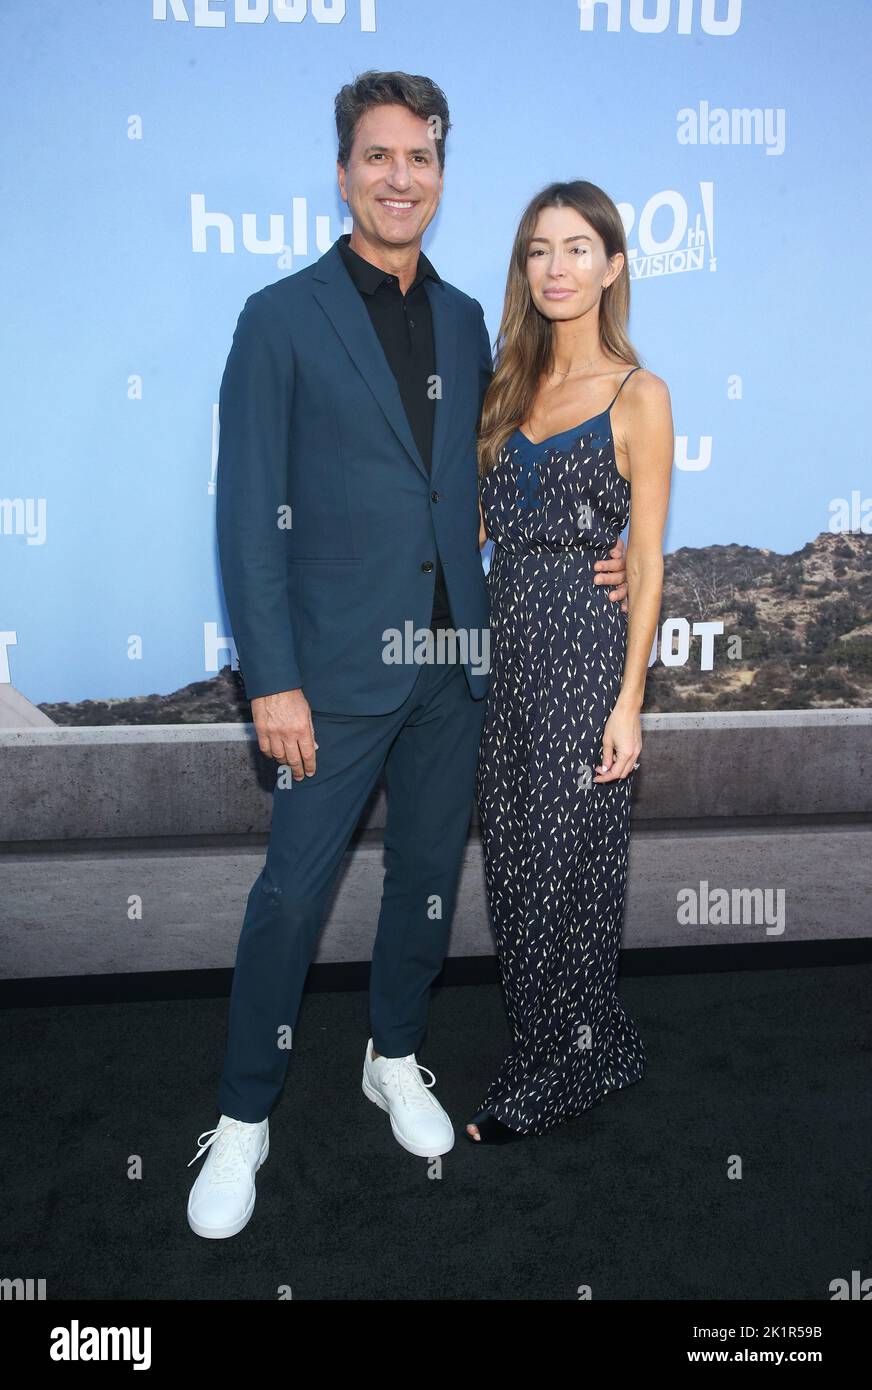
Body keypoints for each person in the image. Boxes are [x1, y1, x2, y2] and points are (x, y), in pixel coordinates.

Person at [186, 75, 629, 1239]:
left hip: (452, 658)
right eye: (376, 157)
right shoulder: (276, 316)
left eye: (419, 159)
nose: (398, 177)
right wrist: (269, 675)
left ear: (440, 175)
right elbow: (247, 514)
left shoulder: (465, 321)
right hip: (325, 674)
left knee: (425, 883)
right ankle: (241, 1117)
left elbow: (486, 483)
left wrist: (608, 552)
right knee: (289, 897)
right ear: (342, 173)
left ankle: (394, 1055)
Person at [466, 181, 674, 1143]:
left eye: (579, 247)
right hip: (506, 653)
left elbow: (646, 559)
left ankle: (551, 1071)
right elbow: (468, 526)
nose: (558, 267)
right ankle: (586, 1046)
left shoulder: (642, 397)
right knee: (513, 866)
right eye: (540, 250)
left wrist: (631, 700)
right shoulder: (503, 387)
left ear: (614, 266)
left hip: (588, 656)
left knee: (567, 867)